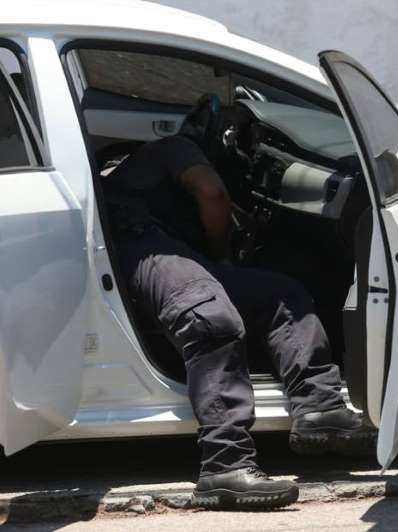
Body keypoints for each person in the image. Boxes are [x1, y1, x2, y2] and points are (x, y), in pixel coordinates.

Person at [101, 102, 372, 510]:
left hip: (168, 251)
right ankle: (224, 468)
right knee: (211, 320)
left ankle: (319, 407)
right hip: (139, 246)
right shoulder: (173, 147)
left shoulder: (155, 168)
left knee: (283, 295)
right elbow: (213, 193)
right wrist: (223, 255)